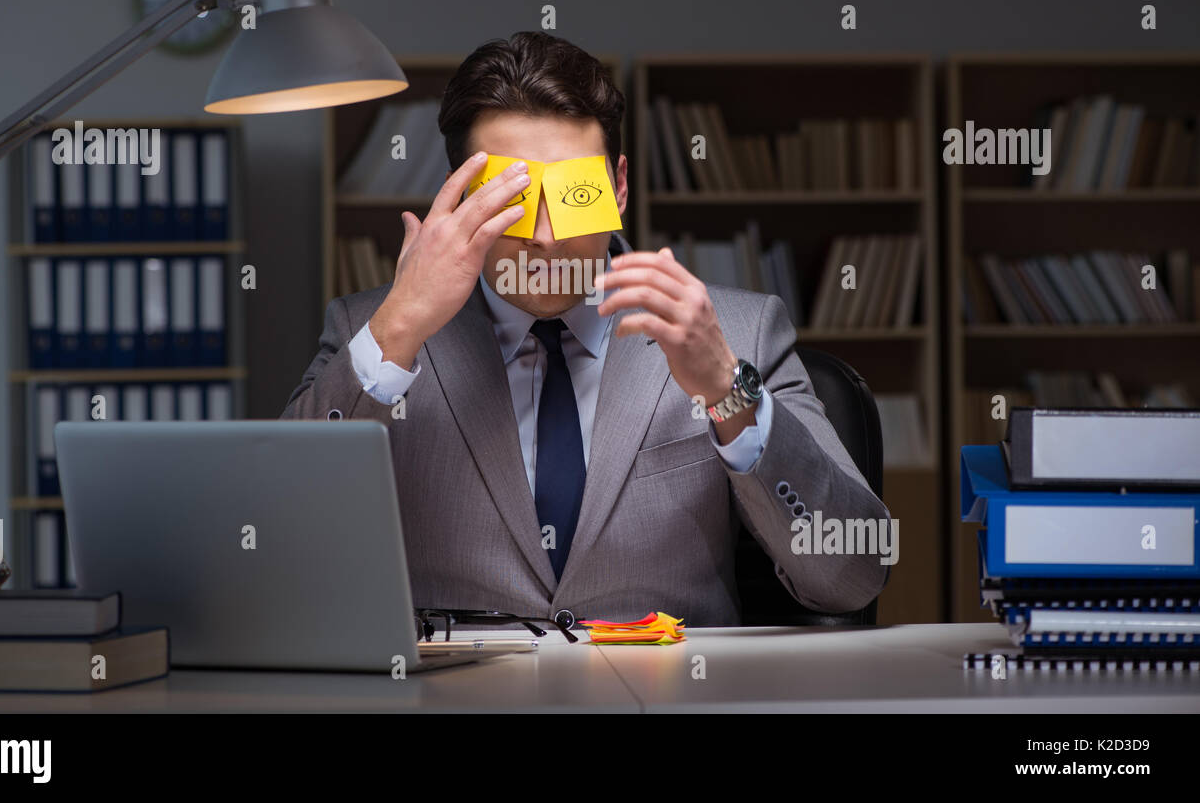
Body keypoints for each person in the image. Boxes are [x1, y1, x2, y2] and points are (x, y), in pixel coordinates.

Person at [282, 31, 891, 626]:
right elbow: (278, 537)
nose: (545, 237)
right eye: (511, 198)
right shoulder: (371, 328)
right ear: (461, 197)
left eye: (574, 194)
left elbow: (853, 576)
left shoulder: (741, 332)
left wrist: (727, 391)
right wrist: (401, 323)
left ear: (619, 187)